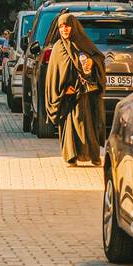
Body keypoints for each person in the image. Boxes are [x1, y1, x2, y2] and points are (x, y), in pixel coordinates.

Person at [45, 11, 106, 166]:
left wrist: (92, 62)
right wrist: (62, 90)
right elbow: (53, 73)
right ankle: (71, 156)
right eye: (61, 27)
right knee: (69, 125)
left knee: (88, 124)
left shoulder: (83, 43)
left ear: (74, 27)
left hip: (85, 93)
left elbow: (98, 59)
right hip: (67, 95)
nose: (64, 30)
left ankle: (94, 155)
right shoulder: (58, 47)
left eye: (67, 26)